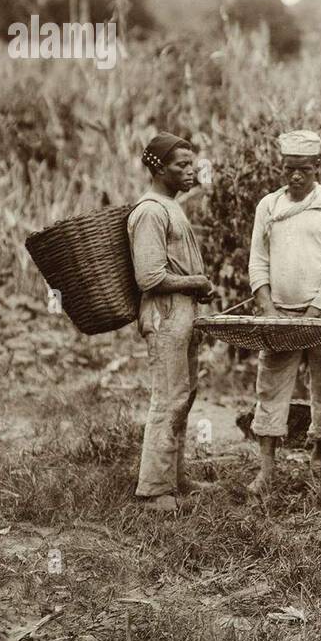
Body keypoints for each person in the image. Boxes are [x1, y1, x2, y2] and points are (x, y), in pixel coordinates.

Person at [247, 130, 321, 492]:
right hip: (280, 316)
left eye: (303, 170)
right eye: (289, 169)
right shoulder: (269, 206)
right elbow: (258, 261)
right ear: (282, 167)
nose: (295, 176)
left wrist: (317, 309)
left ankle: (319, 459)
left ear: (317, 167)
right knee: (270, 387)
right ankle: (266, 470)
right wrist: (267, 306)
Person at [129, 133, 217, 512]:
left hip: (183, 311)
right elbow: (149, 277)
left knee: (184, 393)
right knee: (167, 397)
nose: (191, 171)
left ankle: (174, 477)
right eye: (181, 164)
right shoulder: (150, 211)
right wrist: (196, 281)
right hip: (166, 311)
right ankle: (152, 490)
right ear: (158, 167)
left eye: (192, 164)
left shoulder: (170, 205)